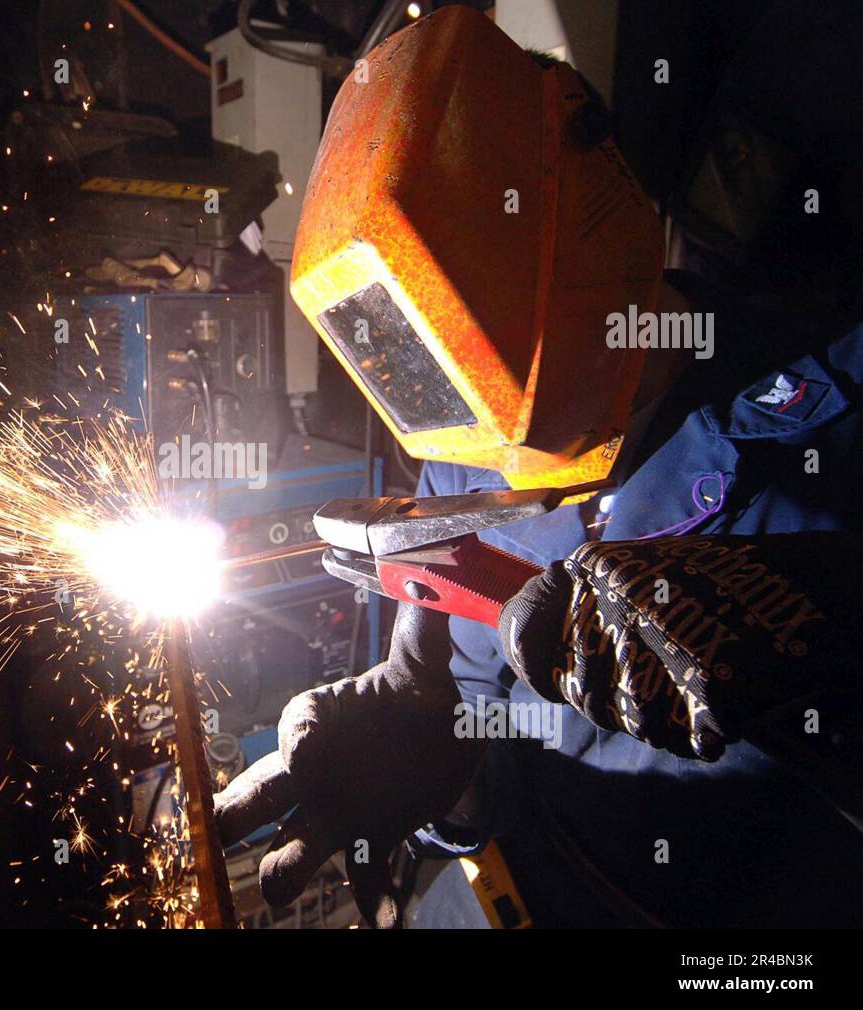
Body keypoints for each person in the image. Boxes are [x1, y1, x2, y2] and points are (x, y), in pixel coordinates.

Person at [215, 7, 863, 929]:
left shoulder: (831, 414)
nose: (482, 454)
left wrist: (827, 654)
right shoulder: (456, 482)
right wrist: (455, 779)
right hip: (515, 882)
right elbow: (476, 709)